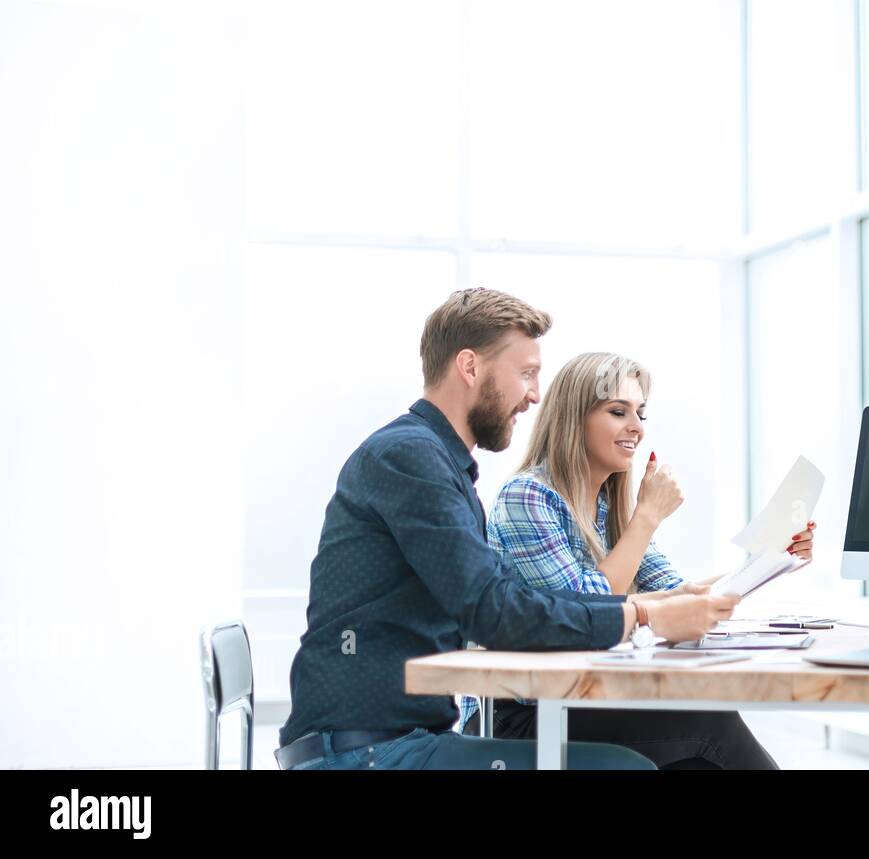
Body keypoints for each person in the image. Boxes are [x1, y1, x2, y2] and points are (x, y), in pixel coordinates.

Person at [276, 288, 738, 770]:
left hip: (393, 741)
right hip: (364, 754)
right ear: (470, 368)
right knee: (629, 766)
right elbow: (494, 612)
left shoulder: (438, 463)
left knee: (678, 744)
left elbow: (506, 600)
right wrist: (642, 617)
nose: (534, 395)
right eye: (526, 374)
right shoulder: (409, 458)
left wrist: (645, 605)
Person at [461, 351, 815, 769]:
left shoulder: (610, 512)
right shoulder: (527, 496)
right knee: (709, 725)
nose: (637, 428)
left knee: (698, 757)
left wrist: (770, 559)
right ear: (574, 418)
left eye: (641, 413)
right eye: (618, 411)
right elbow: (581, 612)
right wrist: (646, 517)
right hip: (522, 713)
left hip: (586, 698)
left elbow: (679, 593)